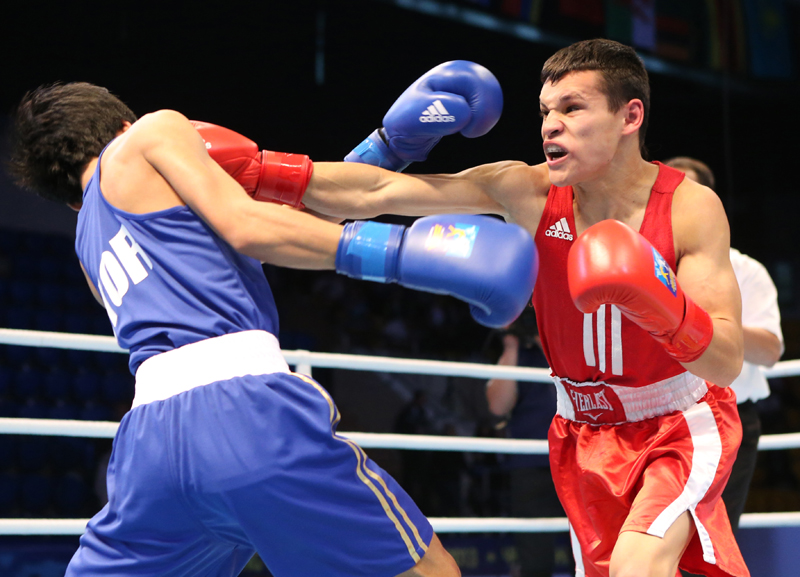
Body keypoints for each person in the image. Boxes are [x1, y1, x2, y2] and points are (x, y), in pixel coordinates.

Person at [7, 76, 539, 576]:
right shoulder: (150, 134)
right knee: (424, 569)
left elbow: (279, 230)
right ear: (122, 123)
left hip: (147, 451)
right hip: (244, 417)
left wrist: (388, 148)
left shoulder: (86, 240)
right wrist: (399, 251)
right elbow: (248, 226)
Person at [300, 39, 750, 577]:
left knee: (638, 566)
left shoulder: (688, 206)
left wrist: (662, 305)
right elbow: (377, 191)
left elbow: (725, 362)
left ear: (630, 115)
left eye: (572, 108)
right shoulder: (527, 190)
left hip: (678, 422)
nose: (550, 125)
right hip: (581, 433)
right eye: (545, 112)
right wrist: (259, 175)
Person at [664, 156, 784, 533]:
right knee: (658, 541)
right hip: (660, 419)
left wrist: (707, 320)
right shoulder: (644, 267)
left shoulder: (747, 271)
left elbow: (770, 351)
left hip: (729, 419)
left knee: (715, 543)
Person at [485, 309, 570, 577]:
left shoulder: (572, 348)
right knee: (534, 558)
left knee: (589, 549)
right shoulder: (515, 357)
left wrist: (548, 336)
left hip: (577, 462)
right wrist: (511, 346)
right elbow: (497, 406)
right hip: (530, 466)